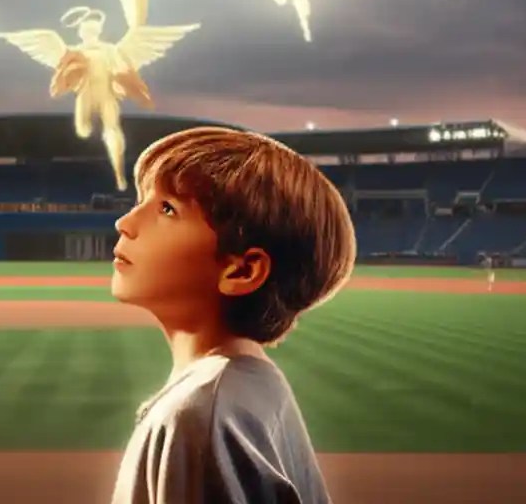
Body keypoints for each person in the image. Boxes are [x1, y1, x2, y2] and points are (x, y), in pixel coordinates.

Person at [108, 126, 356, 503]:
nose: (124, 223)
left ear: (241, 271)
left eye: (167, 209)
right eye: (143, 200)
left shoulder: (199, 416)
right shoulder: (251, 385)